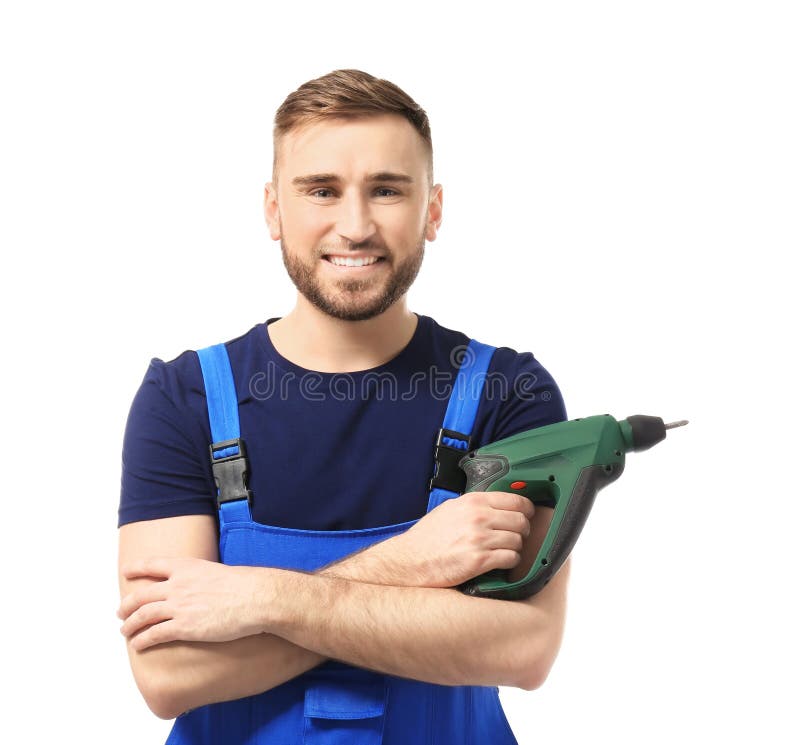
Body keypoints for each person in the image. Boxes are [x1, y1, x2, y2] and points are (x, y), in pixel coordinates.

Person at [117, 68, 571, 745]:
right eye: (321, 190)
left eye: (387, 190)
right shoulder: (183, 399)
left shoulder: (510, 394)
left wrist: (261, 600)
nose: (355, 226)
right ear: (273, 209)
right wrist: (409, 565)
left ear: (433, 210)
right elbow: (169, 674)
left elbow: (523, 646)